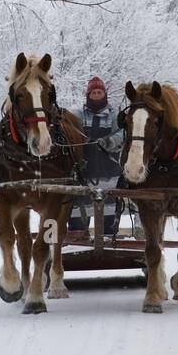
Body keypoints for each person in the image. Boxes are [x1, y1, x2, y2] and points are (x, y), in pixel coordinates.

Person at [67, 76, 124, 237]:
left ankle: (108, 246)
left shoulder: (114, 115)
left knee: (109, 219)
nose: (97, 95)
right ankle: (76, 247)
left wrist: (111, 141)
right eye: (94, 93)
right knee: (77, 219)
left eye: (99, 92)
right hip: (83, 175)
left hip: (109, 172)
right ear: (88, 95)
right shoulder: (77, 114)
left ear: (104, 94)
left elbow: (124, 132)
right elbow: (67, 126)